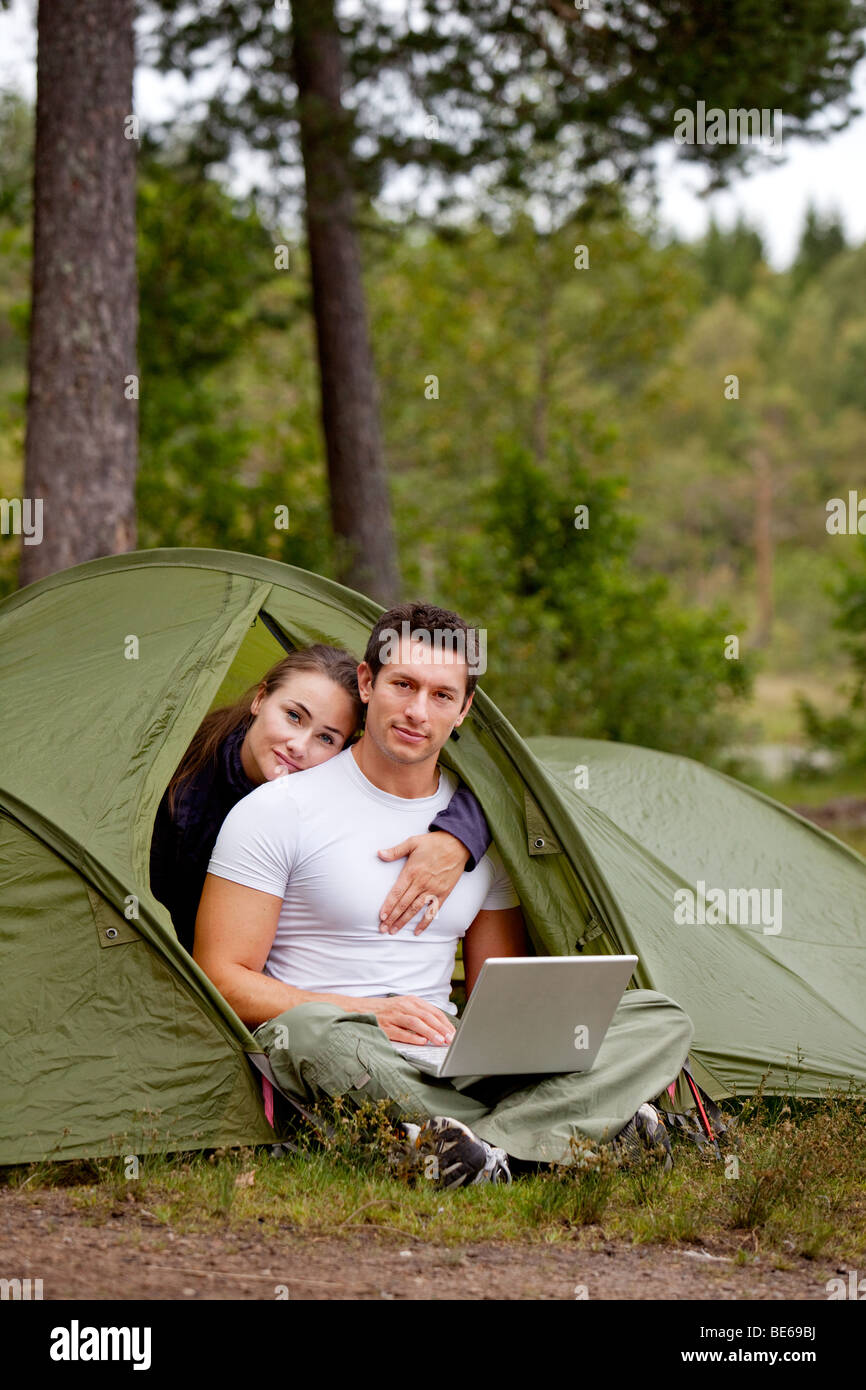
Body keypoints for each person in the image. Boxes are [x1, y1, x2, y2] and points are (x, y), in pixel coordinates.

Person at [194, 604, 693, 1187]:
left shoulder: (484, 833)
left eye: (440, 695)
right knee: (302, 1034)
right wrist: (367, 1010)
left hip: (451, 1057)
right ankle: (566, 1134)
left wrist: (505, 1042)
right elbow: (221, 976)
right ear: (366, 682)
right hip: (345, 1044)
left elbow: (495, 988)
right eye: (403, 684)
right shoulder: (277, 810)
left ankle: (484, 1151)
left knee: (659, 1017)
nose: (416, 711)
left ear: (464, 711)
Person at [150, 643, 493, 953]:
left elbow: (492, 788)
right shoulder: (177, 782)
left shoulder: (318, 804)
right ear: (259, 699)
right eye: (293, 716)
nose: (299, 747)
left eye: (326, 739)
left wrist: (461, 834)